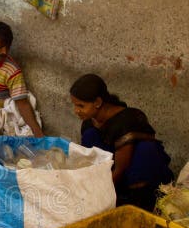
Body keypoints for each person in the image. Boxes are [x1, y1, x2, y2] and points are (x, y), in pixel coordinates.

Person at [69, 73, 173, 211]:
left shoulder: (128, 121)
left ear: (98, 103)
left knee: (145, 150)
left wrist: (98, 196)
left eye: (81, 106)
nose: (76, 111)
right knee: (90, 135)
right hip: (113, 174)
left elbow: (120, 169)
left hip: (135, 174)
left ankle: (139, 206)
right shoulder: (90, 122)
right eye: (75, 105)